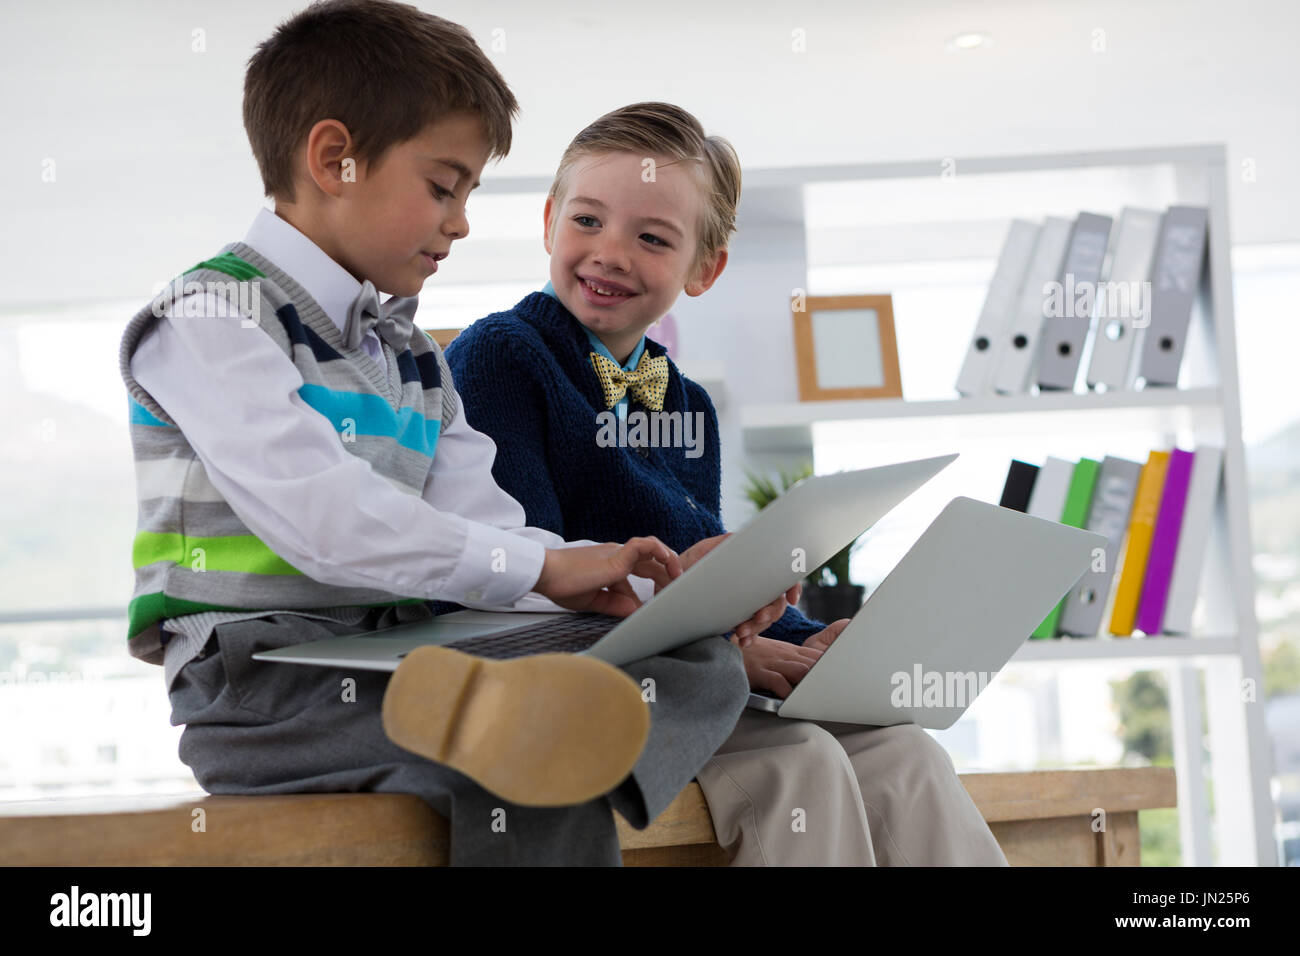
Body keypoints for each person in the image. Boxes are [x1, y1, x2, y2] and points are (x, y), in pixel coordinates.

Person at [118, 1, 794, 866]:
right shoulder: (211, 317)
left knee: (698, 658)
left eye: (468, 192)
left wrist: (654, 596)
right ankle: (547, 745)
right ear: (336, 160)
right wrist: (552, 568)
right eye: (444, 186)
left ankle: (548, 740)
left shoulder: (412, 358)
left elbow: (497, 539)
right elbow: (329, 521)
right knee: (536, 768)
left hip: (409, 663)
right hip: (266, 690)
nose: (462, 220)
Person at [446, 102, 1009, 865]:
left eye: (651, 238)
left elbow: (707, 597)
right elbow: (526, 581)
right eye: (587, 221)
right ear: (548, 222)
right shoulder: (502, 357)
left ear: (703, 269)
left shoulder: (688, 404)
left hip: (697, 681)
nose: (609, 253)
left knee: (904, 755)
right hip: (589, 686)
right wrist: (721, 664)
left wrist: (820, 649)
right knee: (800, 762)